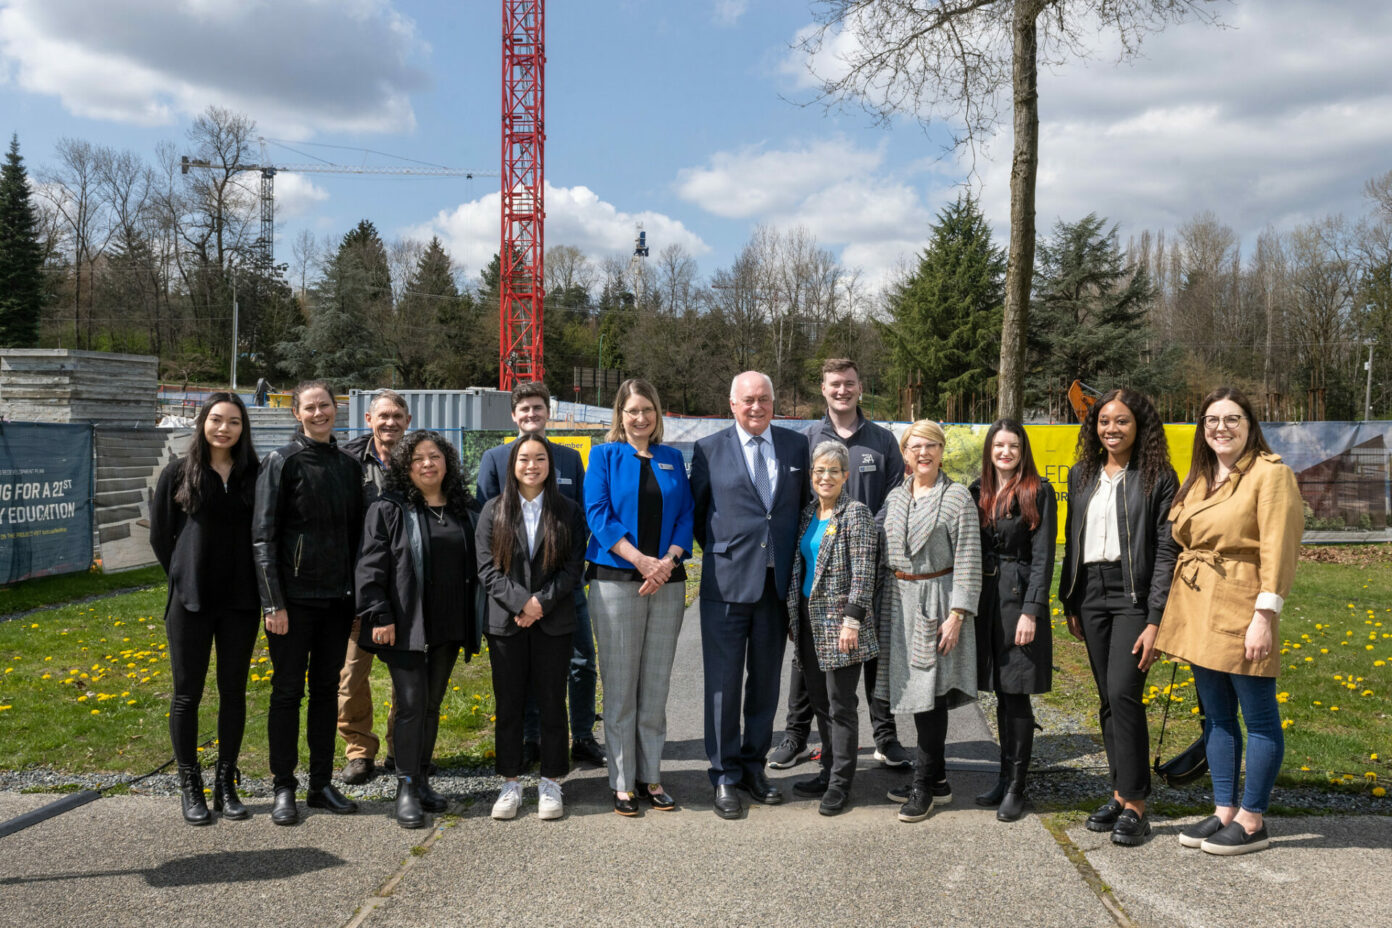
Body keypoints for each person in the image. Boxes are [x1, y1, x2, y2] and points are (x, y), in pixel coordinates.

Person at [1155, 387, 1303, 855]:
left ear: (1250, 424)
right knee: (1217, 715)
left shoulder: (1270, 474)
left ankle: (1254, 818)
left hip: (1242, 602)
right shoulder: (1201, 477)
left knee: (1257, 715)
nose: (1222, 427)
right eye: (1213, 419)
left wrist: (1265, 615)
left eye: (1232, 418)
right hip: (1198, 605)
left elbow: (1280, 546)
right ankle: (1224, 811)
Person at [771, 358, 909, 772]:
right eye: (835, 384)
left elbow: (894, 499)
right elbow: (799, 502)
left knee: (871, 651)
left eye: (849, 383)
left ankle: (885, 736)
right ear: (823, 388)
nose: (842, 391)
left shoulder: (882, 440)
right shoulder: (806, 439)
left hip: (871, 564)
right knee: (809, 656)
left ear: (859, 387)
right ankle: (796, 734)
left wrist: (861, 535)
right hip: (821, 569)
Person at [1058, 388, 1179, 846]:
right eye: (1104, 421)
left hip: (1133, 597)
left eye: (1122, 421)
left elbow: (1167, 550)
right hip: (1090, 593)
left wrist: (1155, 617)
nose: (1112, 428)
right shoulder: (1083, 473)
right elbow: (1073, 540)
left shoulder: (1157, 476)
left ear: (1139, 425)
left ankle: (1137, 806)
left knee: (1124, 692)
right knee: (1108, 698)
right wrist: (1069, 599)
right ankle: (1118, 793)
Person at [690, 371, 810, 820]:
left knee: (765, 681)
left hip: (775, 585)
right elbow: (701, 513)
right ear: (731, 404)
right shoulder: (708, 449)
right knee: (722, 684)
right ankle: (723, 775)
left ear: (773, 403)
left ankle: (754, 767)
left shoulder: (796, 447)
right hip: (725, 583)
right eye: (747, 400)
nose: (756, 407)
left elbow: (798, 509)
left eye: (763, 399)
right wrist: (728, 554)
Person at [356, 430, 483, 829]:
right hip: (405, 622)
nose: (428, 464)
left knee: (431, 704)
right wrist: (379, 614)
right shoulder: (388, 508)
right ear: (405, 467)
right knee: (411, 704)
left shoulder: (464, 509)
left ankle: (424, 778)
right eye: (418, 459)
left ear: (448, 463)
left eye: (435, 456)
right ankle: (406, 788)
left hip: (448, 622)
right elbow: (370, 565)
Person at [253, 380, 365, 826]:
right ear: (296, 413)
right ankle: (284, 786)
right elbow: (263, 537)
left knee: (325, 694)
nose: (320, 413)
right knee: (285, 694)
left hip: (337, 601)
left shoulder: (347, 465)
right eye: (310, 407)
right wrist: (271, 602)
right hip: (291, 603)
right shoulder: (282, 462)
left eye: (326, 405)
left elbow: (358, 537)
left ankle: (320, 784)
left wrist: (357, 594)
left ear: (336, 409)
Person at [476, 382, 603, 769]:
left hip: (563, 589)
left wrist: (549, 595)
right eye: (524, 410)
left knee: (581, 660)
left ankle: (581, 735)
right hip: (513, 593)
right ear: (513, 416)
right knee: (525, 668)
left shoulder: (567, 459)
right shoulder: (495, 458)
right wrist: (521, 599)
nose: (531, 415)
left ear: (549, 413)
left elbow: (577, 521)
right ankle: (530, 739)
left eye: (538, 409)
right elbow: (488, 522)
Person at [149, 392, 260, 825]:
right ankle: (189, 784)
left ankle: (226, 784)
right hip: (190, 602)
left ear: (242, 429)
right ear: (203, 423)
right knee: (186, 694)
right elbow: (162, 537)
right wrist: (182, 574)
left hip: (240, 602)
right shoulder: (179, 472)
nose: (224, 428)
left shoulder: (255, 473)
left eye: (233, 421)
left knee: (233, 692)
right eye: (216, 420)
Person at [584, 379, 694, 815]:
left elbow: (686, 514)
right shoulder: (604, 455)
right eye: (632, 410)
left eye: (648, 409)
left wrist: (665, 561)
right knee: (620, 687)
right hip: (615, 583)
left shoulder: (671, 458)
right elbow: (598, 513)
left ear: (658, 414)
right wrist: (640, 562)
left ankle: (651, 776)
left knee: (655, 685)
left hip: (668, 583)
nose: (641, 418)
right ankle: (622, 781)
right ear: (620, 414)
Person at [476, 433, 587, 821]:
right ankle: (510, 782)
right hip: (506, 624)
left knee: (553, 701)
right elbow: (486, 568)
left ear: (549, 466)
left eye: (540, 459)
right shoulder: (494, 510)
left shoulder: (568, 510)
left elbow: (574, 566)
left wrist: (540, 602)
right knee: (509, 703)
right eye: (524, 459)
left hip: (553, 622)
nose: (532, 465)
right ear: (512, 465)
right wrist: (521, 602)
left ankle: (552, 781)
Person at [878, 420, 981, 823]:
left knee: (931, 695)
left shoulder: (956, 498)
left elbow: (970, 559)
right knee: (914, 692)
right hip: (898, 602)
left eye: (931, 446)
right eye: (915, 446)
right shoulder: (897, 495)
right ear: (905, 454)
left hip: (937, 602)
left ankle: (923, 786)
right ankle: (937, 781)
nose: (923, 453)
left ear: (942, 451)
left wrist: (958, 614)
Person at [785, 440, 879, 816]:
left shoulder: (855, 513)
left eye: (833, 471)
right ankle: (826, 771)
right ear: (812, 476)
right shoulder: (808, 514)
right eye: (819, 471)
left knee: (841, 705)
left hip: (842, 626)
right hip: (808, 623)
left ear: (846, 476)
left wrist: (852, 621)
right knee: (820, 704)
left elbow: (864, 572)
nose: (826, 477)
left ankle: (841, 783)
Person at [969, 419, 1056, 822]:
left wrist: (1032, 612)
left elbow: (1043, 558)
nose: (1005, 452)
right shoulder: (978, 491)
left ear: (1023, 450)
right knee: (1001, 693)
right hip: (987, 602)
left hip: (1019, 600)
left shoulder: (1037, 491)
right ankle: (1004, 779)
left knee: (1016, 692)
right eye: (999, 445)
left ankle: (1018, 787)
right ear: (990, 449)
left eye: (1013, 446)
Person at [339, 390, 413, 785]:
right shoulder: (348, 462)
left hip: (406, 588)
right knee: (352, 675)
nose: (390, 422)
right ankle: (358, 751)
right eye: (383, 415)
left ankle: (401, 749)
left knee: (408, 674)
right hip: (359, 585)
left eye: (397, 415)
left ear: (408, 419)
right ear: (369, 419)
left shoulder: (419, 459)